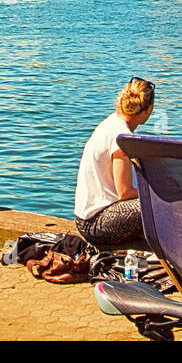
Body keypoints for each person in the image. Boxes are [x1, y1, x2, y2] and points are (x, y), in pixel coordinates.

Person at [74, 76, 154, 248]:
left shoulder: (112, 122)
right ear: (149, 110)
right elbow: (124, 192)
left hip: (87, 217)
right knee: (159, 204)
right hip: (95, 223)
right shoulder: (122, 137)